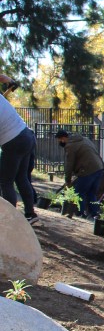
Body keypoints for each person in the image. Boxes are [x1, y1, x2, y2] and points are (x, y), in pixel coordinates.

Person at [0, 75, 37, 224]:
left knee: (5, 181)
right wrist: (10, 82)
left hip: (13, 141)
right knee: (21, 177)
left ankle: (10, 220)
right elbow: (2, 76)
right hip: (26, 135)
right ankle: (30, 214)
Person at [54, 128, 104, 219]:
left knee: (79, 192)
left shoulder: (70, 146)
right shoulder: (85, 139)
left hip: (87, 169)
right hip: (99, 167)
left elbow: (69, 164)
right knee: (92, 193)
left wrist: (67, 180)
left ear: (63, 138)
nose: (60, 142)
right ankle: (94, 214)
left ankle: (80, 213)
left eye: (60, 140)